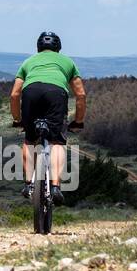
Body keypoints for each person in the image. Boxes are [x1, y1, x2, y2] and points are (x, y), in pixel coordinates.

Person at [10, 31, 85, 204]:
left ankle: (28, 184)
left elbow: (14, 95)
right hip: (56, 94)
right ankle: (56, 187)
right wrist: (79, 121)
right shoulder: (68, 62)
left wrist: (17, 119)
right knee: (57, 141)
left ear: (38, 47)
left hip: (31, 93)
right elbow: (81, 95)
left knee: (30, 140)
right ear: (58, 48)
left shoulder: (28, 62)